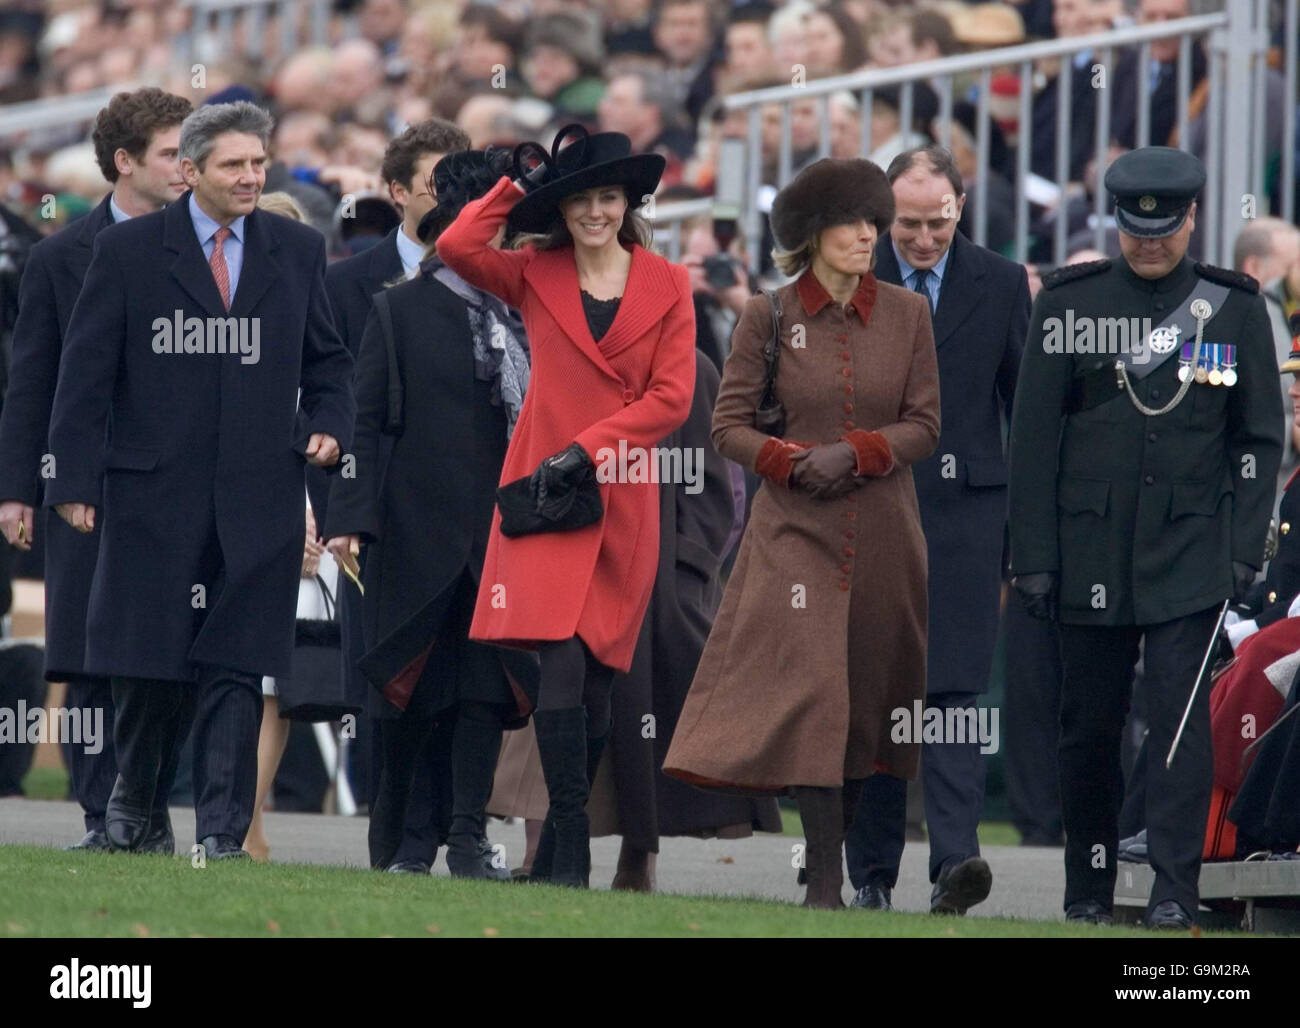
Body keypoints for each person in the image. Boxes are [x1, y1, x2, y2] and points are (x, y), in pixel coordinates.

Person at [45, 100, 355, 860]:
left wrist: (329, 424)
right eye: (234, 165)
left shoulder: (297, 247)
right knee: (149, 667)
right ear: (188, 172)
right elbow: (83, 377)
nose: (252, 177)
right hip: (152, 493)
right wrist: (71, 480)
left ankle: (220, 833)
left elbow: (330, 364)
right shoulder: (128, 253)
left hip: (259, 496)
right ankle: (137, 808)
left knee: (236, 669)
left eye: (258, 163)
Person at [1009, 146, 1283, 928]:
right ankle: (1089, 888)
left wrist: (1242, 540)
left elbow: (1259, 436)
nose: (1150, 243)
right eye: (1136, 230)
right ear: (1119, 222)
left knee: (1178, 725)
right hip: (1087, 547)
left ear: (1193, 218)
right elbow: (1032, 438)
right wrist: (1033, 555)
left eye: (1165, 230)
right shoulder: (1068, 302)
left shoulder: (1230, 307)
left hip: (1191, 547)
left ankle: (1172, 889)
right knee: (1087, 728)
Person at [664, 157, 942, 910]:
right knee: (819, 695)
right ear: (813, 234)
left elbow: (924, 424)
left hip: (886, 531)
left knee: (863, 711)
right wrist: (791, 461)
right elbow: (728, 428)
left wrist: (856, 452)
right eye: (853, 222)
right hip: (795, 532)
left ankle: (837, 872)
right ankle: (823, 885)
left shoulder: (911, 316)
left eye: (874, 223)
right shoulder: (768, 314)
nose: (868, 235)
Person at [436, 124, 696, 888]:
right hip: (544, 499)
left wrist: (591, 446)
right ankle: (573, 835)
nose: (594, 212)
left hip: (615, 497)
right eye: (579, 199)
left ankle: (554, 854)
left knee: (596, 677)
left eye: (608, 197)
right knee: (559, 656)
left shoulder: (669, 284)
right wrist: (517, 184)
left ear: (629, 203)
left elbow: (673, 398)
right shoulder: (533, 271)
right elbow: (457, 246)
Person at [325, 147, 540, 878]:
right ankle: (407, 841)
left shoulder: (530, 313)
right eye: (495, 233)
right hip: (413, 532)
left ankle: (468, 836)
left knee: (484, 691)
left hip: (507, 536)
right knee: (410, 694)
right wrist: (349, 519)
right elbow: (365, 424)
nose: (507, 248)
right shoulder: (398, 307)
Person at [0, 87, 193, 852]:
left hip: (179, 484)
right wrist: (17, 489)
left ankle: (146, 806)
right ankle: (99, 814)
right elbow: (31, 383)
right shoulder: (57, 256)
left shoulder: (212, 249)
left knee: (168, 653)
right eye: (176, 152)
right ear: (125, 161)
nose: (188, 167)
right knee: (83, 653)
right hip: (82, 484)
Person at [847, 144, 1029, 914]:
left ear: (962, 207)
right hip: (870, 510)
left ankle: (956, 863)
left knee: (953, 693)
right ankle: (872, 875)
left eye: (938, 223)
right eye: (908, 225)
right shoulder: (852, 276)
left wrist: (1022, 543)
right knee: (879, 691)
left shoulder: (1000, 281)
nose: (922, 239)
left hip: (966, 519)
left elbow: (1024, 409)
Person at [321, 117, 469, 860]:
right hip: (375, 516)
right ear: (396, 192)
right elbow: (331, 404)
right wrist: (337, 513)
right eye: (437, 183)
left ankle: (451, 833)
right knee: (387, 683)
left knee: (466, 686)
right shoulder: (345, 283)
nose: (451, 198)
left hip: (469, 516)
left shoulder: (500, 284)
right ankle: (396, 837)